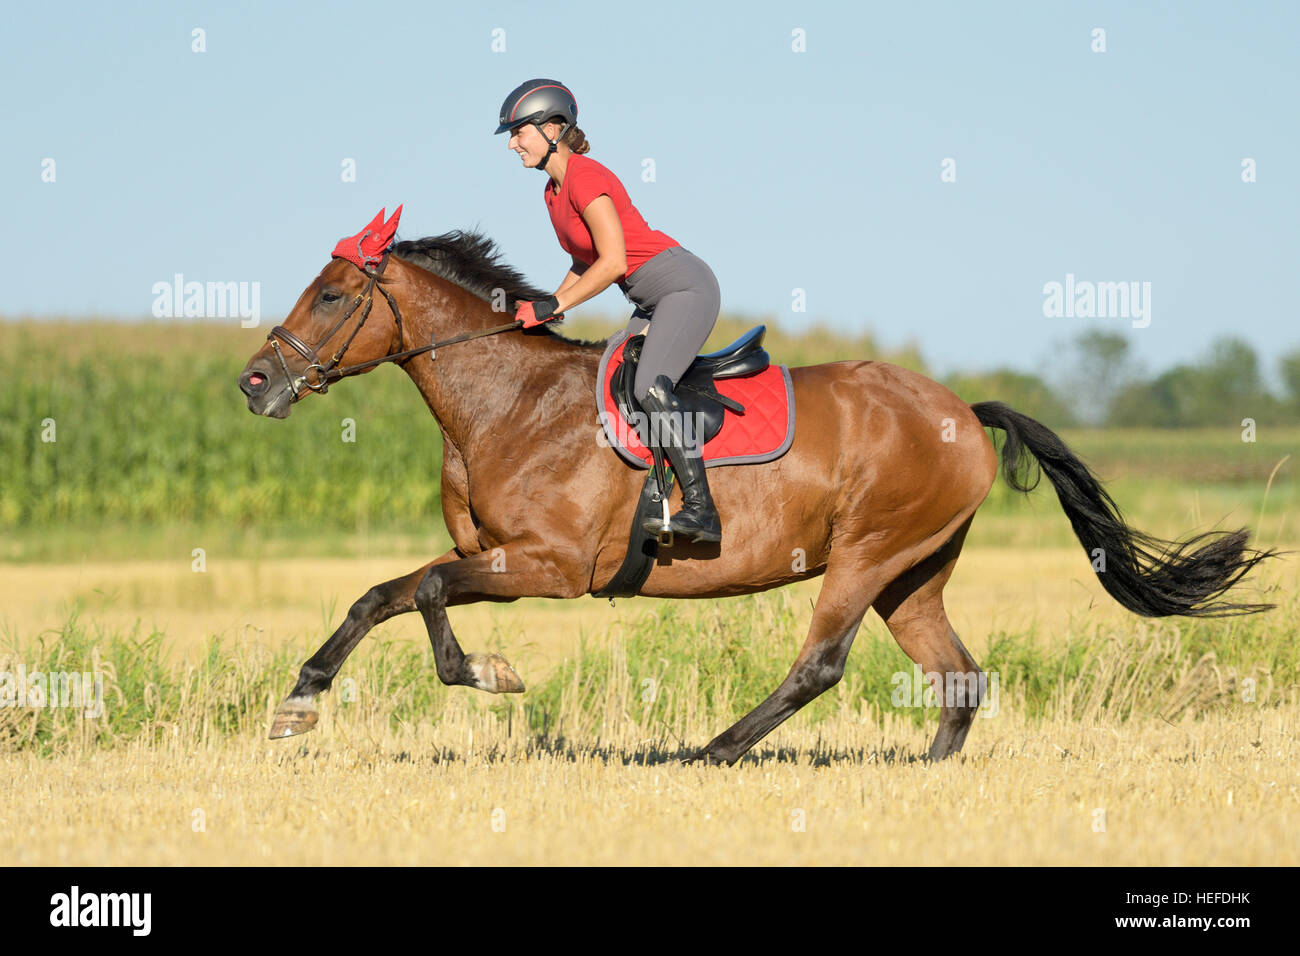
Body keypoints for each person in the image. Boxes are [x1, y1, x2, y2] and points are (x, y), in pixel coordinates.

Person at [496, 78, 723, 543]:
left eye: (519, 131)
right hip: (649, 299)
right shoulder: (553, 193)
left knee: (650, 387)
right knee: (614, 377)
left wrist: (557, 302)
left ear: (553, 128)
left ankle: (701, 511)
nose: (513, 143)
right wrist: (547, 307)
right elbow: (584, 260)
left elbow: (614, 260)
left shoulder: (586, 177)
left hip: (683, 288)